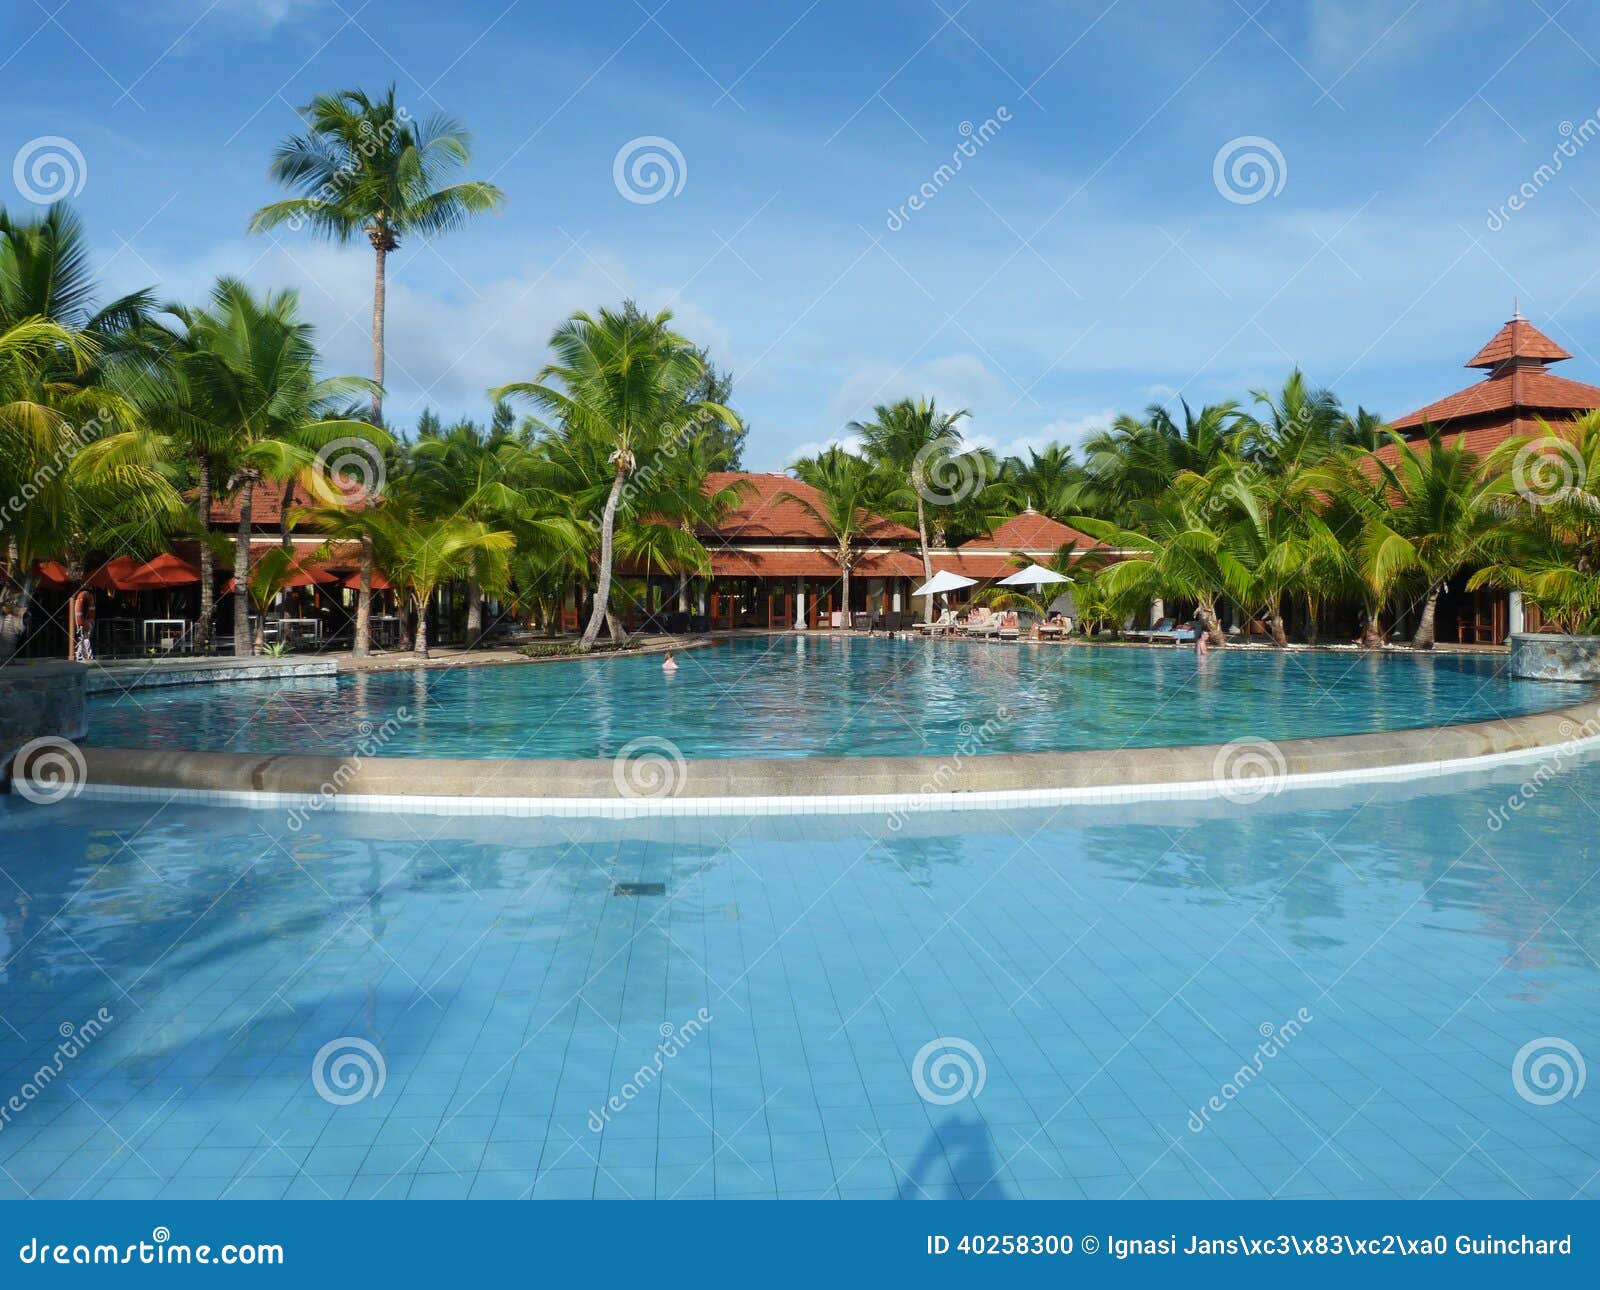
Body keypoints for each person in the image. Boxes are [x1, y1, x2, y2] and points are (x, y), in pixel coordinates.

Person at [72, 587, 95, 662]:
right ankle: (86, 656)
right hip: (84, 623)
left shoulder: (81, 599)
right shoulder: (83, 598)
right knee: (85, 639)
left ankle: (82, 655)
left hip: (84, 623)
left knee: (83, 639)